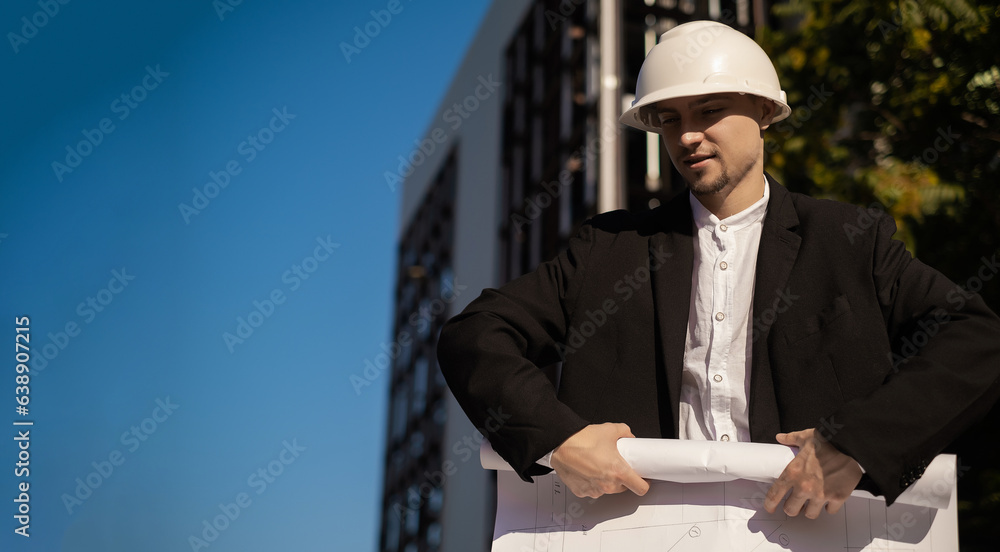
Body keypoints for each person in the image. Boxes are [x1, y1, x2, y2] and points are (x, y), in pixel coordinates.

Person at [436, 20, 1000, 519]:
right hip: (641, 533)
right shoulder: (608, 250)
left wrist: (855, 444)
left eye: (708, 111)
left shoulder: (850, 240)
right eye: (669, 119)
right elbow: (475, 336)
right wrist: (558, 440)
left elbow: (977, 340)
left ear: (765, 112)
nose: (685, 136)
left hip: (813, 533)